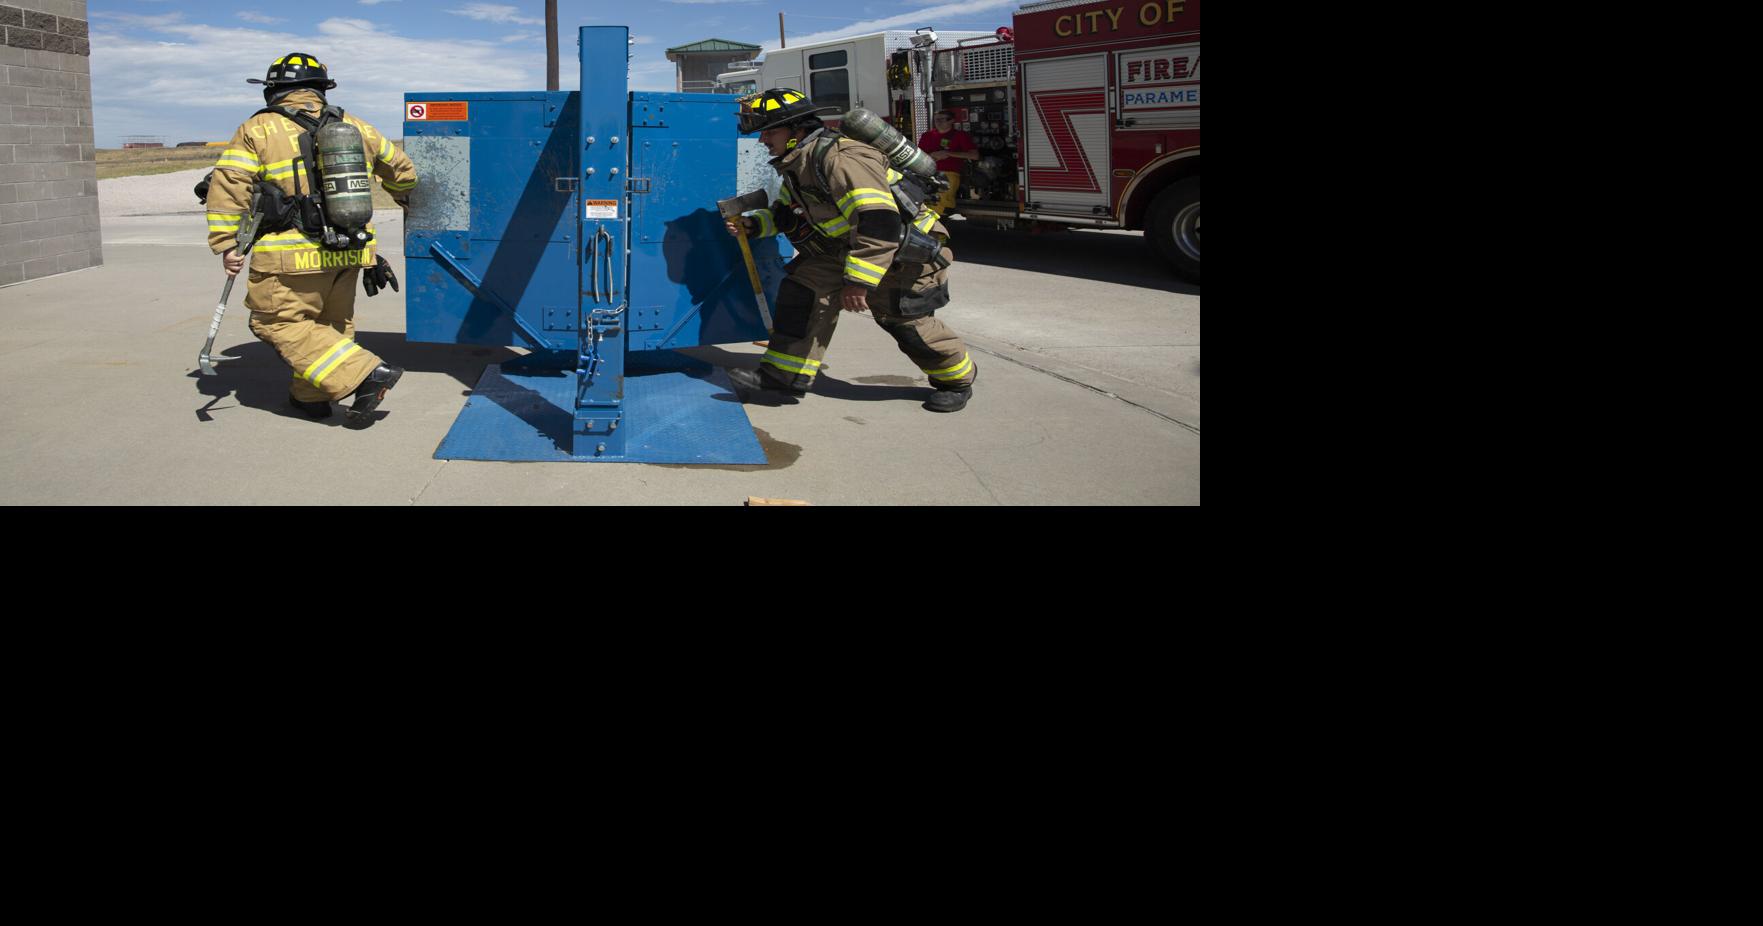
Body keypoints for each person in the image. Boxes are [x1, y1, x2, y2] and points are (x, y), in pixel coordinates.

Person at [723, 89, 977, 413]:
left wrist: (859, 282)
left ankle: (956, 378)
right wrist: (755, 225)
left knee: (904, 322)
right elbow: (792, 212)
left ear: (796, 129)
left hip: (904, 253)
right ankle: (781, 376)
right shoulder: (800, 161)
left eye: (769, 131)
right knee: (803, 291)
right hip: (848, 248)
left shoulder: (841, 159)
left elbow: (879, 221)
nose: (762, 140)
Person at [204, 53, 418, 426]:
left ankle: (367, 373)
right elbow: (402, 170)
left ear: (273, 91)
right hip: (350, 250)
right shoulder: (354, 125)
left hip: (289, 256)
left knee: (277, 323)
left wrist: (226, 244)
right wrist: (402, 194)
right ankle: (310, 398)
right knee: (330, 328)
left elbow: (229, 185)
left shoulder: (260, 128)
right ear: (321, 89)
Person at [917, 110, 978, 218]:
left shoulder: (960, 135)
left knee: (941, 205)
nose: (938, 122)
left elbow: (974, 155)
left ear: (952, 121)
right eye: (936, 119)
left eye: (942, 119)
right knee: (926, 205)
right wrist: (932, 155)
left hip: (949, 175)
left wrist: (948, 153)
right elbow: (919, 155)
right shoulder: (927, 135)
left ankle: (940, 226)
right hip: (927, 175)